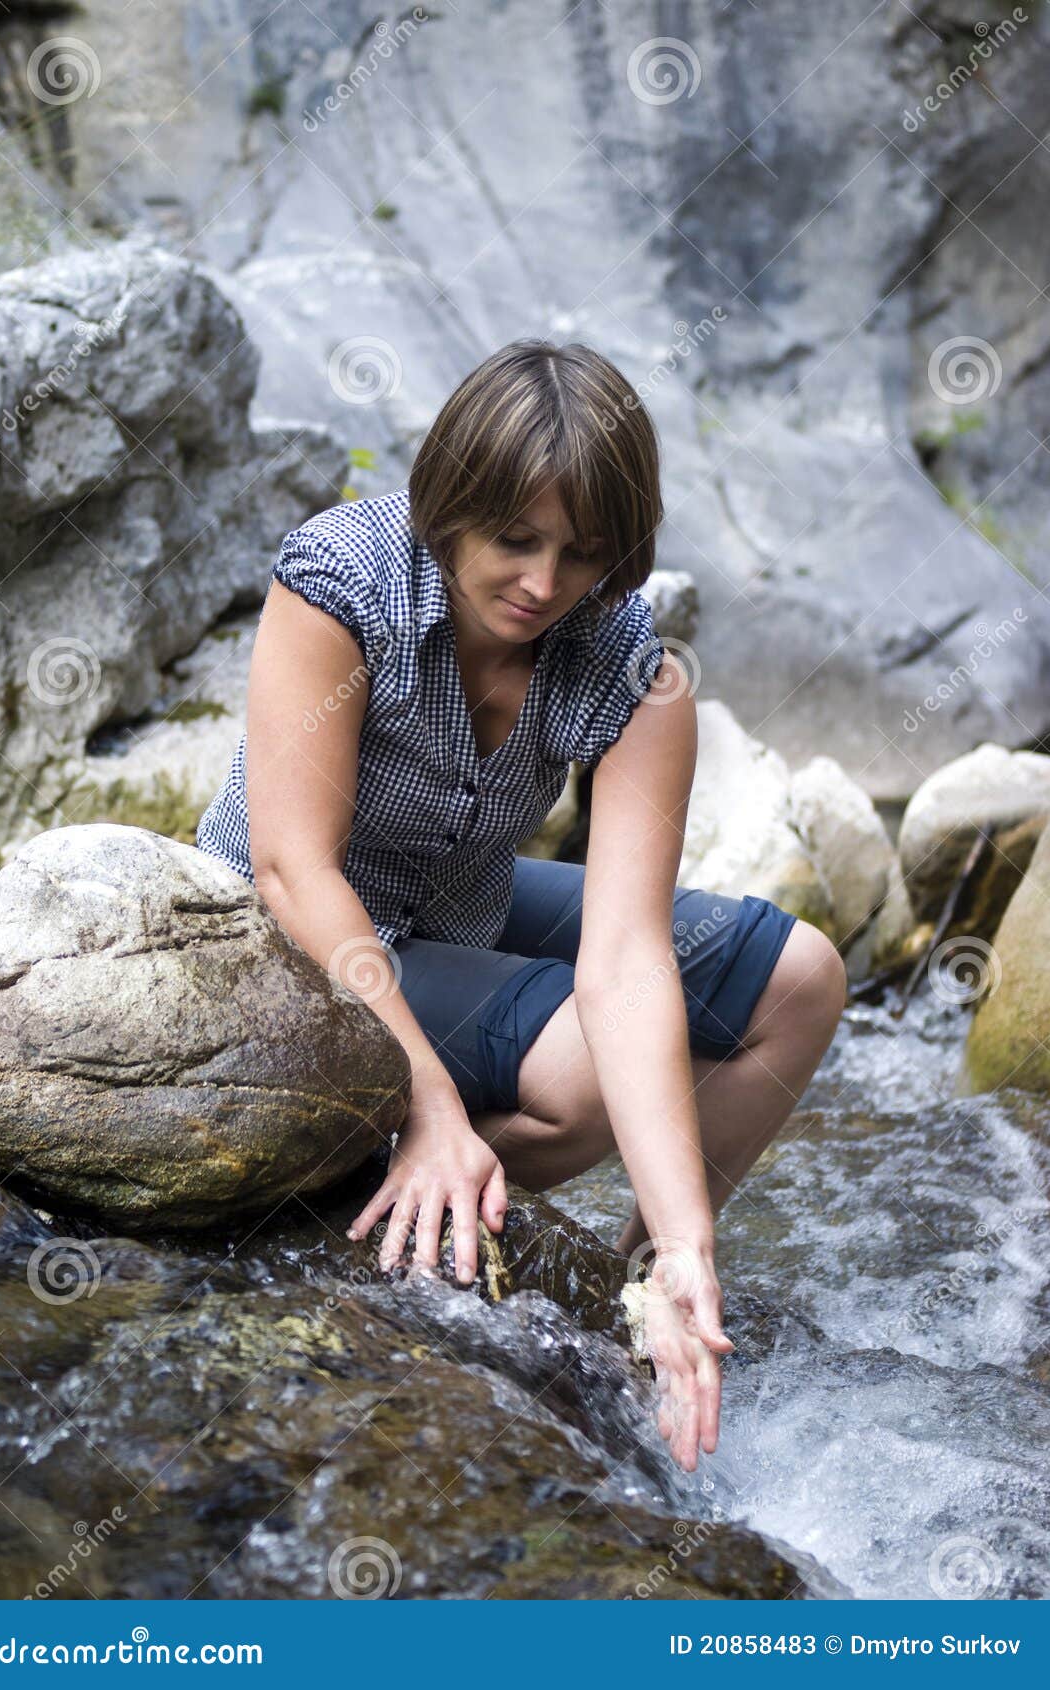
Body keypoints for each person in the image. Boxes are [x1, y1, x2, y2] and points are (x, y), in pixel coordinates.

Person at [196, 338, 847, 1474]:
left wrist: (689, 1235)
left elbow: (630, 955)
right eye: (514, 540)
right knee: (587, 1076)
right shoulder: (341, 583)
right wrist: (427, 1102)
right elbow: (294, 868)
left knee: (801, 980)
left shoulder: (635, 668)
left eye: (582, 554)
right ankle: (356, 1192)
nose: (544, 585)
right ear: (452, 507)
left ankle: (646, 1296)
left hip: (466, 903)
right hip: (299, 930)